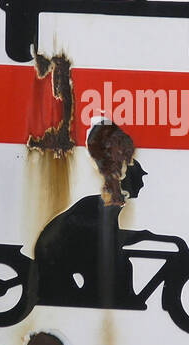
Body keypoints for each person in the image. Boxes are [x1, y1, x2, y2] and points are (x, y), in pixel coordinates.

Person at [32, 121, 148, 309]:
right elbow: (107, 236)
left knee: (120, 264)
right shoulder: (106, 204)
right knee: (117, 264)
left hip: (66, 250)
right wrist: (140, 236)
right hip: (55, 254)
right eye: (140, 179)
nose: (142, 185)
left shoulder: (110, 202)